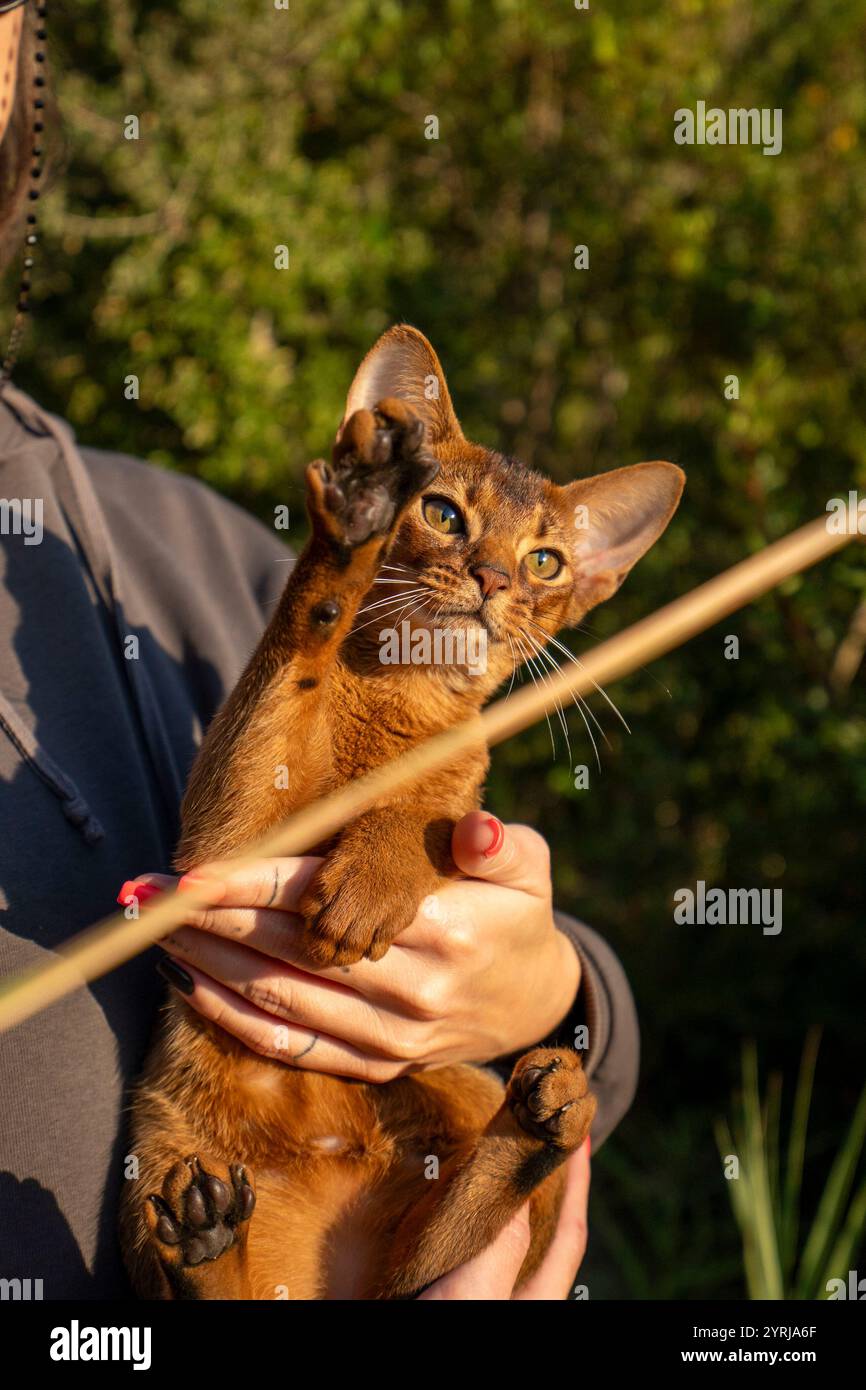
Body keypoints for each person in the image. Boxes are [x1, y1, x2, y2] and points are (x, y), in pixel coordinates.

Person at [0, 3, 638, 1298]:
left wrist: (555, 996)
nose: (479, 573)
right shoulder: (309, 585)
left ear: (31, 64)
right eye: (442, 518)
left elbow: (579, 1016)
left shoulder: (178, 542)